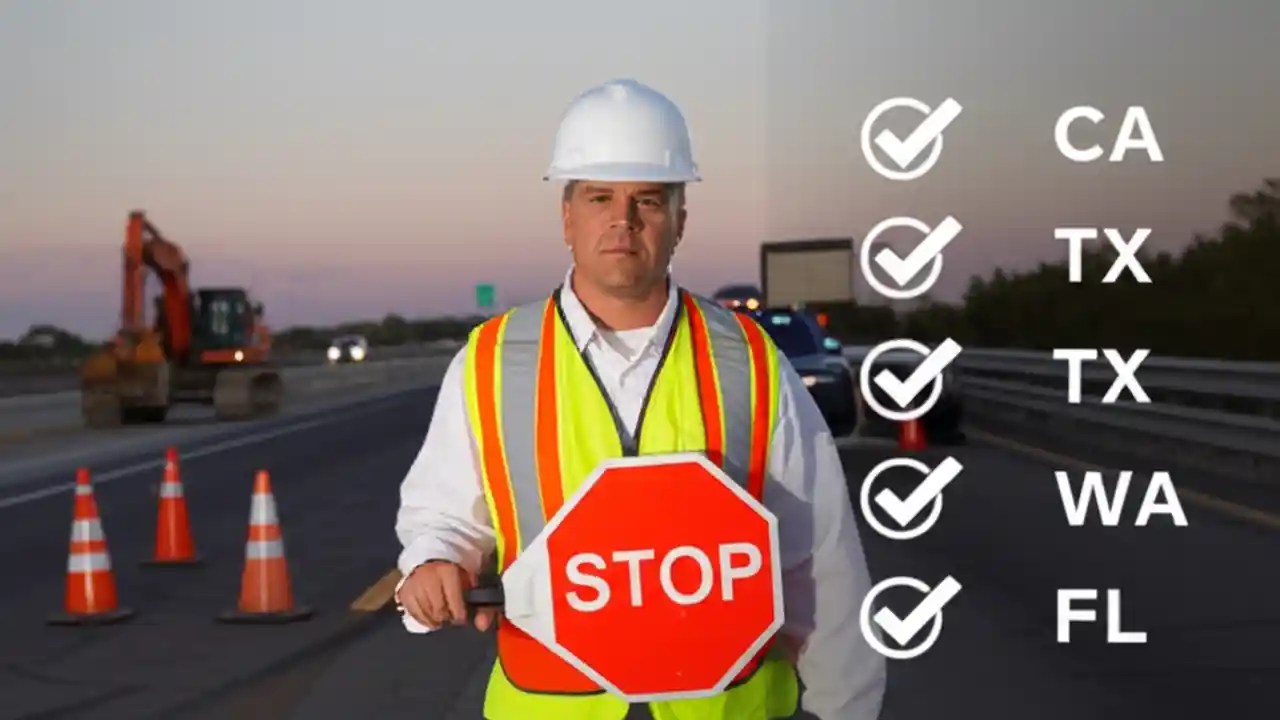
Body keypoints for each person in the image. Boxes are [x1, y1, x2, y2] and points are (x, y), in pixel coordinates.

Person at [394, 78, 886, 720]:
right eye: (600, 197)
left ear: (680, 220)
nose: (622, 220)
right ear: (567, 217)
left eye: (647, 200)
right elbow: (443, 517)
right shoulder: (490, 362)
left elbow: (820, 562)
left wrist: (845, 709)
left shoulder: (749, 361)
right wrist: (435, 560)